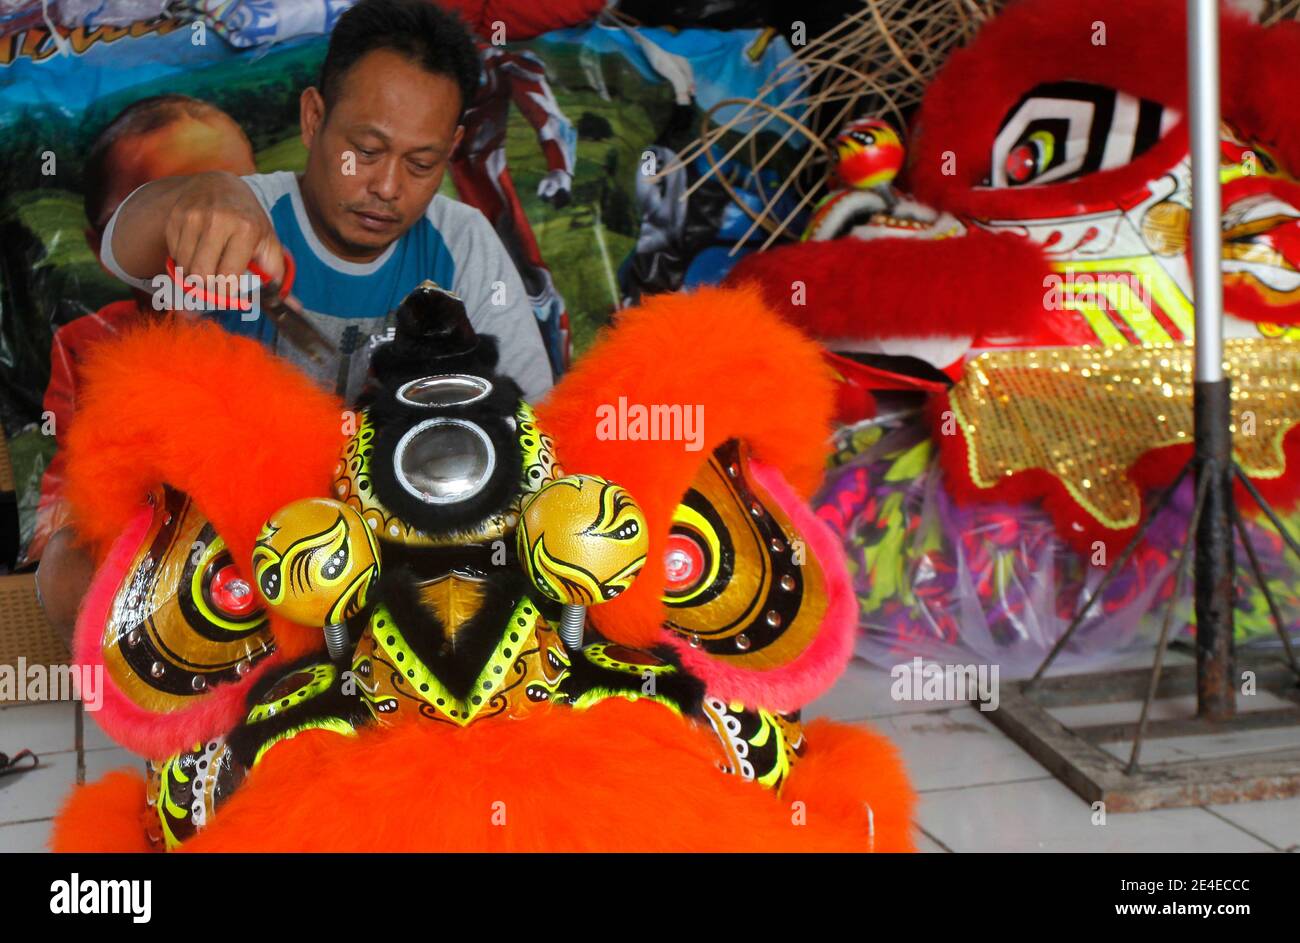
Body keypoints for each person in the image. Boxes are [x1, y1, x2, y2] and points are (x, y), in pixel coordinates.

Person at [99, 0, 553, 404]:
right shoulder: (244, 214)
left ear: (451, 147)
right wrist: (202, 190)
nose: (388, 188)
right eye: (367, 152)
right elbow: (119, 251)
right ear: (314, 118)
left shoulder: (461, 240)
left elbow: (532, 411)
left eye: (421, 164)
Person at [34, 95, 259, 645]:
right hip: (163, 569)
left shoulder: (288, 313)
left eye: (239, 201)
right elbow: (66, 505)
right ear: (104, 245)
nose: (209, 233)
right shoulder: (89, 345)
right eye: (168, 212)